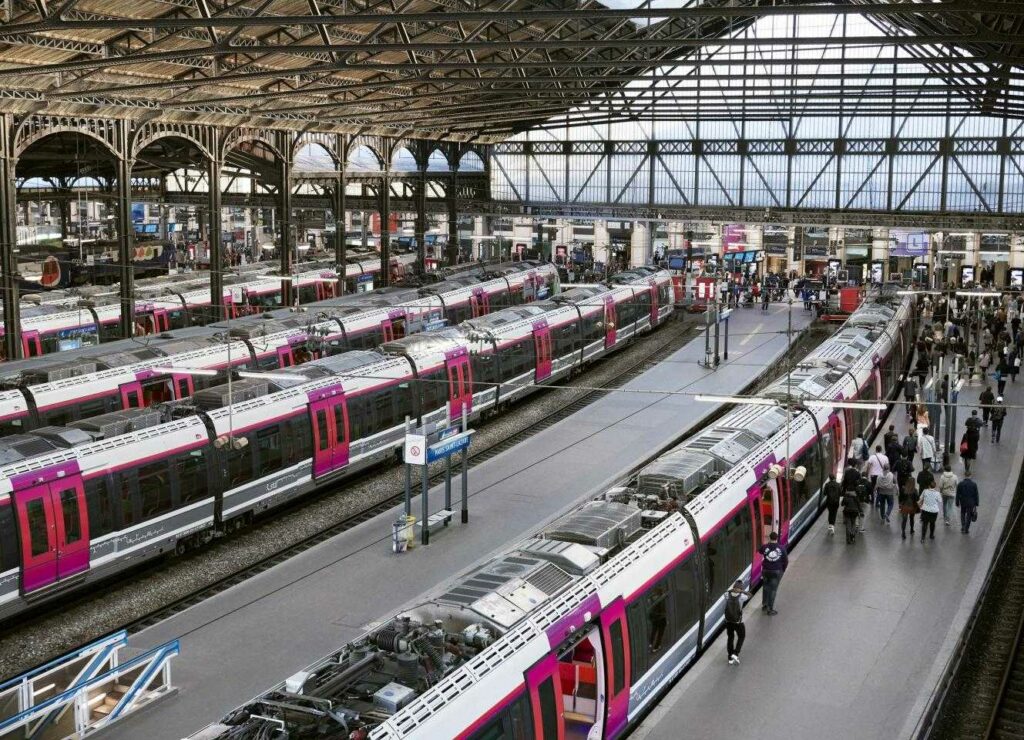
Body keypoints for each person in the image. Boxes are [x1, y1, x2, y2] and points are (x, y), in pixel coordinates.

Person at [758, 532, 787, 615]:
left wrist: (767, 546)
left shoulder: (765, 547)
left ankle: (764, 605)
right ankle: (770, 609)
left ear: (769, 538)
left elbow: (760, 551)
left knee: (766, 587)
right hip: (776, 571)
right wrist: (783, 569)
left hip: (766, 571)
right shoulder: (781, 548)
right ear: (777, 538)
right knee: (773, 590)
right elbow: (786, 560)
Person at [724, 580, 751, 665]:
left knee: (730, 638)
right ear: (740, 588)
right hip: (738, 622)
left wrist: (733, 590)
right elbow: (750, 595)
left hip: (728, 621)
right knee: (742, 636)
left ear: (734, 587)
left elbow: (726, 592)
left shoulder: (727, 595)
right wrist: (742, 591)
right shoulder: (742, 596)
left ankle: (730, 658)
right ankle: (736, 653)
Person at [899, 475, 919, 541]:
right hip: (912, 506)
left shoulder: (903, 489)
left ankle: (903, 532)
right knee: (911, 518)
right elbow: (917, 499)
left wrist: (900, 505)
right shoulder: (915, 490)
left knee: (904, 520)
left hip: (905, 506)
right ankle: (911, 529)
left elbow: (900, 497)